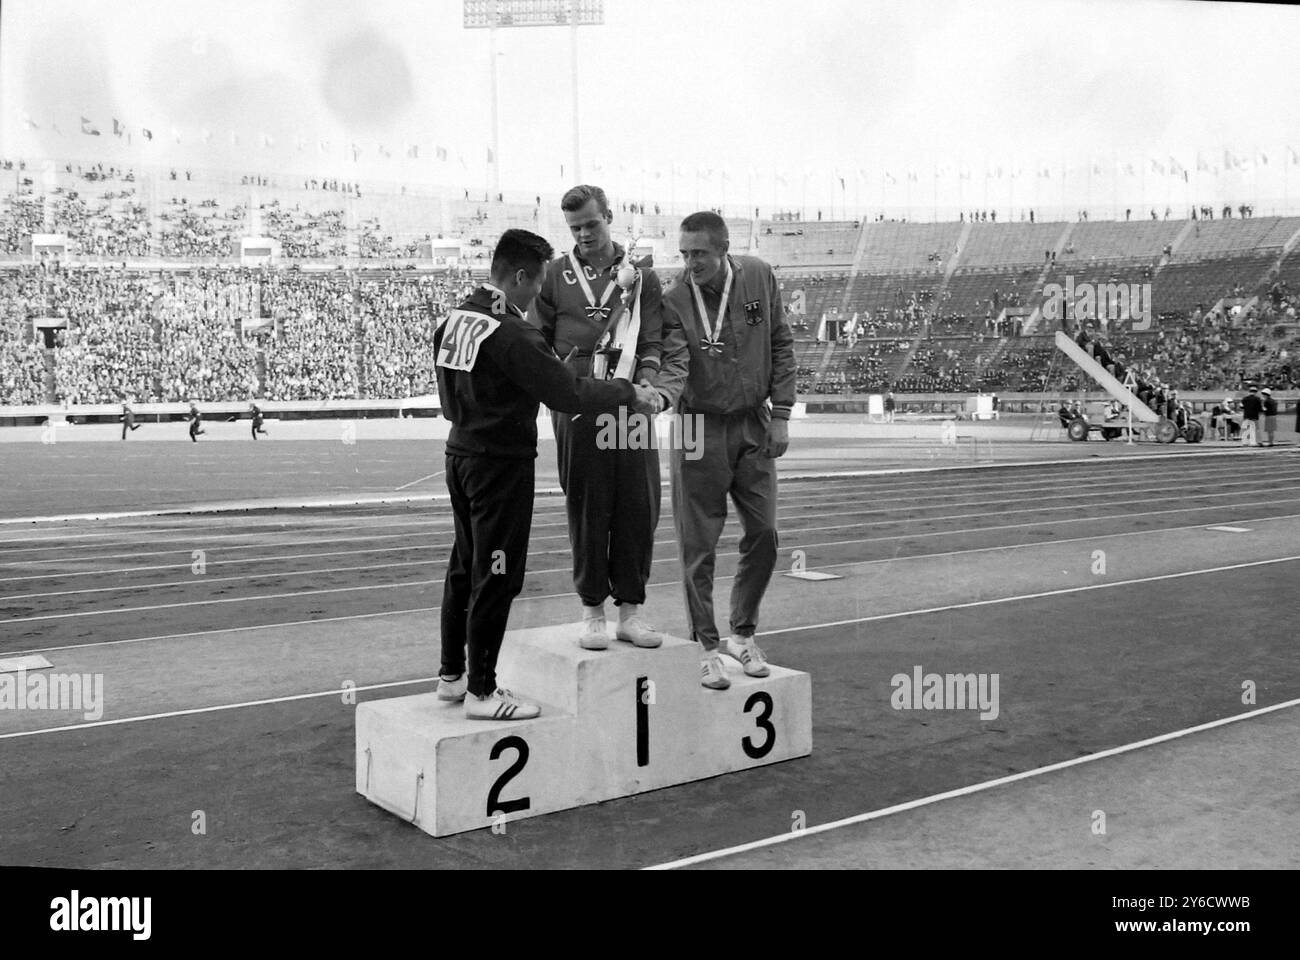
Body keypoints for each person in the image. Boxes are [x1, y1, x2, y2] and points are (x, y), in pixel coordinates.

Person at [433, 229, 658, 721]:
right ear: (518, 276)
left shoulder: (456, 319)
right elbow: (568, 396)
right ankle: (483, 691)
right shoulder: (511, 331)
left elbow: (487, 381)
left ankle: (451, 675)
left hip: (461, 455)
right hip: (500, 465)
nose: (538, 295)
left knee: (463, 566)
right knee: (497, 574)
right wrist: (626, 392)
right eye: (535, 286)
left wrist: (543, 369)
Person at [532, 185, 689, 651]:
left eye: (591, 224)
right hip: (578, 406)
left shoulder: (641, 276)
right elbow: (538, 342)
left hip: (631, 403)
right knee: (588, 506)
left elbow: (654, 341)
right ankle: (592, 611)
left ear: (609, 217)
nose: (583, 234)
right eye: (575, 227)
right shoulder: (554, 275)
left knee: (637, 505)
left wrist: (646, 385)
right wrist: (556, 385)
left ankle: (631, 613)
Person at [661, 211, 795, 690]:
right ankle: (706, 647)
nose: (689, 263)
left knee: (765, 534)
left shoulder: (758, 274)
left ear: (723, 249)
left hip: (754, 423)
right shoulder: (672, 297)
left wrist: (781, 413)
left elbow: (780, 341)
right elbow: (671, 362)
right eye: (684, 253)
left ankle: (742, 633)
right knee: (698, 546)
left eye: (698, 253)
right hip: (697, 426)